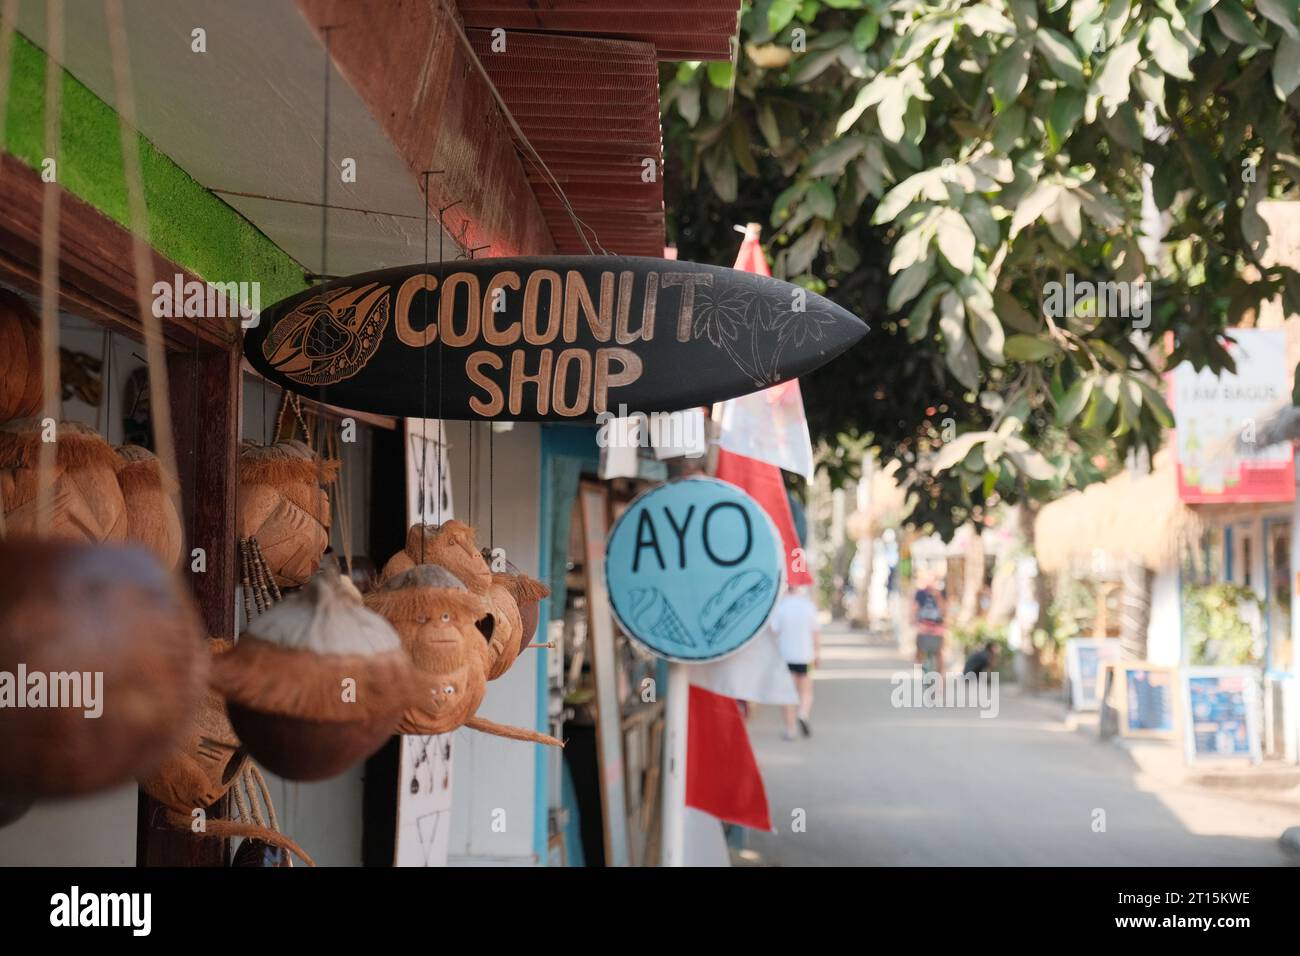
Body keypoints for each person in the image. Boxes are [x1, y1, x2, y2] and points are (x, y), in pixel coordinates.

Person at [769, 586, 821, 740]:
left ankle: (790, 729)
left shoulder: (781, 607)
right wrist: (818, 654)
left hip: (785, 656)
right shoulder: (808, 606)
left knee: (787, 694)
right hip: (804, 656)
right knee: (805, 690)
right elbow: (816, 632)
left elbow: (773, 631)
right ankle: (803, 713)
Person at [912, 571, 947, 673]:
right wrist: (914, 620)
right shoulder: (920, 593)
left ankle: (940, 677)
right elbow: (915, 607)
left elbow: (944, 610)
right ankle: (921, 667)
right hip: (923, 625)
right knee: (919, 647)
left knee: (939, 652)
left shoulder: (941, 593)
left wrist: (938, 596)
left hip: (937, 626)